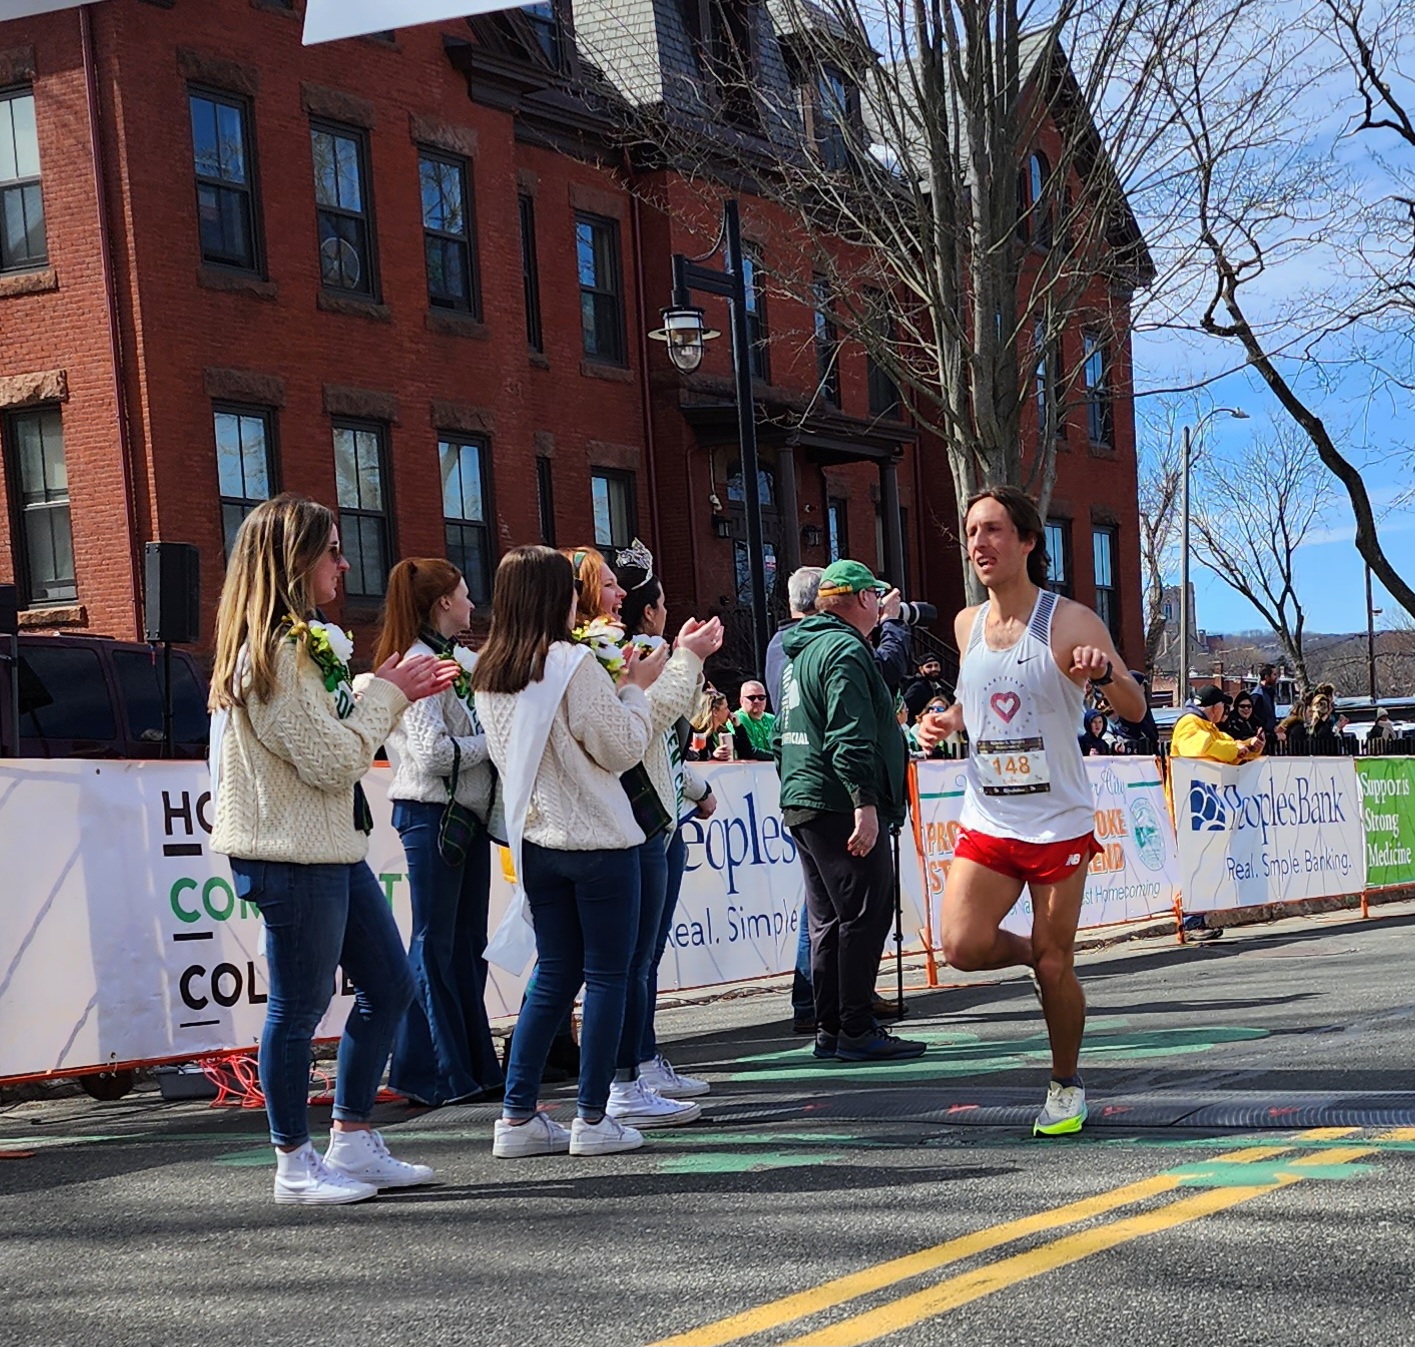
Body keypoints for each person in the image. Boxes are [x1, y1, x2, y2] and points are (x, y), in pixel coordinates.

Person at [209, 494, 457, 1205]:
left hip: (326, 848)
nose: (344, 565)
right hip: (289, 855)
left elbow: (327, 741)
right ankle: (293, 1162)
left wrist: (377, 692)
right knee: (298, 1005)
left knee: (390, 985)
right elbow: (330, 761)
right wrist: (387, 693)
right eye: (332, 552)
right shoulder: (278, 652)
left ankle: (350, 1136)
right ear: (293, 562)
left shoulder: (299, 644)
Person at [915, 486, 1148, 1137]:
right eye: (970, 532)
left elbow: (1133, 708)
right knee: (960, 944)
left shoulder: (1068, 620)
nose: (979, 544)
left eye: (992, 530)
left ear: (1025, 542)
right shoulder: (966, 625)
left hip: (1057, 822)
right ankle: (1042, 958)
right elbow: (982, 699)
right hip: (988, 817)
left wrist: (1102, 674)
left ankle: (1065, 1081)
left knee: (1055, 964)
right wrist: (945, 721)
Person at [474, 546, 666, 1159]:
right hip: (597, 839)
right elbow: (621, 747)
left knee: (554, 975)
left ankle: (517, 1115)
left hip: (536, 840)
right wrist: (636, 690)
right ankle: (591, 1116)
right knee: (609, 975)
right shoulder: (572, 663)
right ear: (556, 598)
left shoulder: (489, 668)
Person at [775, 558, 926, 1062]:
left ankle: (832, 1027)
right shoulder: (842, 650)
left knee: (828, 921)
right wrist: (865, 803)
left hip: (806, 796)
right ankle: (856, 1029)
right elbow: (849, 733)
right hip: (838, 799)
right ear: (862, 600)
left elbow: (784, 734)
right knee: (864, 913)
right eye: (875, 598)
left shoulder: (803, 650)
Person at [373, 558, 501, 1109]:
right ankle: (439, 1071)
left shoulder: (453, 661)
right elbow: (430, 755)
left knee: (466, 945)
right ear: (444, 602)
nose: (473, 604)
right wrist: (492, 745)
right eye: (466, 595)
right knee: (434, 945)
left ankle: (468, 1064)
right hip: (431, 815)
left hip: (460, 816)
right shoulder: (421, 663)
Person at [617, 569, 720, 1106]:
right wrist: (688, 658)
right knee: (637, 956)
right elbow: (660, 720)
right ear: (650, 611)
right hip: (645, 815)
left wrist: (697, 786)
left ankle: (644, 1056)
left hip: (666, 806)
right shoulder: (636, 655)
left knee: (645, 955)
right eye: (659, 601)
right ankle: (632, 1067)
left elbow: (673, 748)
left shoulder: (643, 653)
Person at [1171, 686, 1265, 763]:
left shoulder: (1206, 725)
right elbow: (1203, 748)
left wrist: (1250, 746)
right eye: (1223, 705)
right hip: (1187, 785)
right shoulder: (1188, 722)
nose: (1225, 709)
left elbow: (1227, 744)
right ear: (1215, 707)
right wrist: (1236, 750)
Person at [732, 680, 776, 761]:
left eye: (761, 697)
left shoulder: (773, 719)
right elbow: (749, 751)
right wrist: (778, 758)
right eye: (751, 698)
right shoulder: (738, 718)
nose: (757, 701)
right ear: (741, 701)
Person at [903, 655, 952, 723]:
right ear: (921, 669)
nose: (934, 669)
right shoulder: (918, 688)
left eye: (936, 665)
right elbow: (904, 707)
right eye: (929, 666)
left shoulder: (938, 688)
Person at [687, 690, 734, 760]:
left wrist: (738, 726)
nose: (729, 711)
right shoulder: (699, 732)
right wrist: (713, 755)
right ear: (715, 712)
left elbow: (745, 749)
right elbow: (698, 757)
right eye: (726, 708)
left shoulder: (717, 730)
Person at [1249, 665, 1281, 739]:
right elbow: (1256, 721)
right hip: (1263, 739)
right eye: (1274, 674)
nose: (1277, 678)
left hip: (1270, 737)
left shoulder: (1269, 693)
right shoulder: (1257, 695)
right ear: (1267, 677)